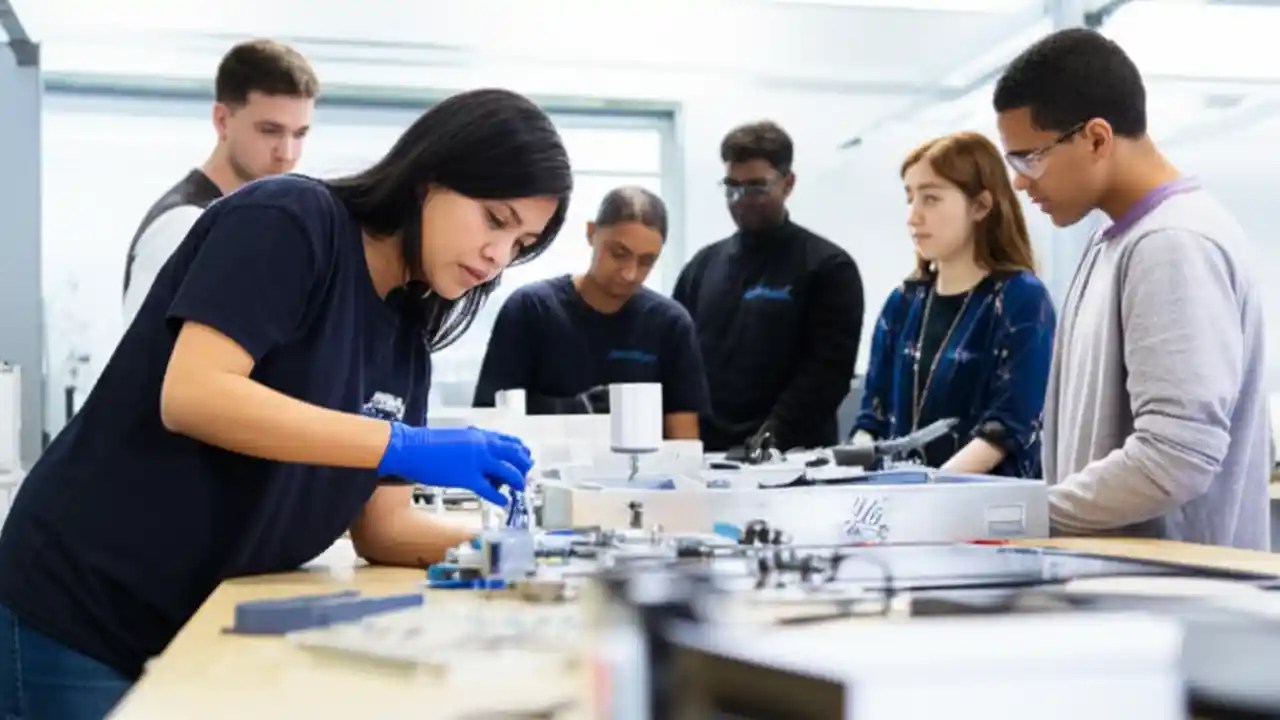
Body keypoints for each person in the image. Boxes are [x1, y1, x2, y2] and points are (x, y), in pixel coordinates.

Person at [0, 88, 572, 717]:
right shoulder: (293, 220)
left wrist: (538, 549)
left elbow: (384, 530)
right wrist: (402, 444)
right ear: (429, 178)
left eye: (522, 244)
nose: (497, 260)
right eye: (495, 219)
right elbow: (193, 395)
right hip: (82, 606)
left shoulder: (407, 338)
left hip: (193, 624)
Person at [993, 28, 1268, 548]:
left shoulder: (1173, 243)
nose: (1020, 183)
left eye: (1030, 158)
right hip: (1127, 597)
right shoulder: (1113, 239)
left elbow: (1174, 458)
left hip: (1180, 606)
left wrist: (1017, 517)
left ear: (1096, 138)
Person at [851, 131, 1055, 478]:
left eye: (930, 198)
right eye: (910, 198)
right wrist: (857, 473)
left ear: (981, 206)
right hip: (896, 507)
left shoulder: (1020, 299)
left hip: (981, 511)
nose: (913, 216)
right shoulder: (904, 301)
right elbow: (872, 415)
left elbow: (1008, 426)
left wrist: (932, 490)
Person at [673, 121, 864, 454]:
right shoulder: (701, 268)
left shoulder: (828, 267)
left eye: (756, 188)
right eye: (732, 187)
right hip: (710, 458)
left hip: (792, 461)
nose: (741, 200)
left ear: (788, 183)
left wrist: (770, 441)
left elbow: (825, 375)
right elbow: (679, 365)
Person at [473, 187, 710, 439]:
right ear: (591, 233)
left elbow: (683, 445)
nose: (630, 273)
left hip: (641, 473)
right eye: (619, 254)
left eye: (646, 261)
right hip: (540, 470)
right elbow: (492, 417)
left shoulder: (670, 324)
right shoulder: (531, 309)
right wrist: (574, 411)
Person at [122, 38, 319, 324]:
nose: (287, 154)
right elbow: (142, 361)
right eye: (270, 130)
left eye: (299, 134)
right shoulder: (184, 225)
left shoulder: (252, 224)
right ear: (222, 120)